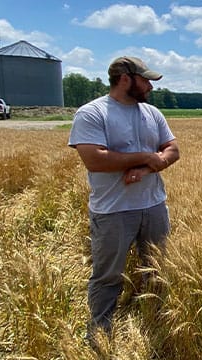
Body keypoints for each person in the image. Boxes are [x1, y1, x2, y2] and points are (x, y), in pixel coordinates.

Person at [68, 56, 180, 344]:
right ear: (125, 78)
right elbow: (94, 159)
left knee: (157, 270)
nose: (150, 87)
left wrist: (145, 167)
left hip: (154, 206)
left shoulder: (152, 113)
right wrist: (145, 156)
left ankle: (154, 326)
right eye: (146, 80)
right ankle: (99, 335)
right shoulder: (92, 113)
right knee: (107, 277)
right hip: (113, 210)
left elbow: (172, 150)